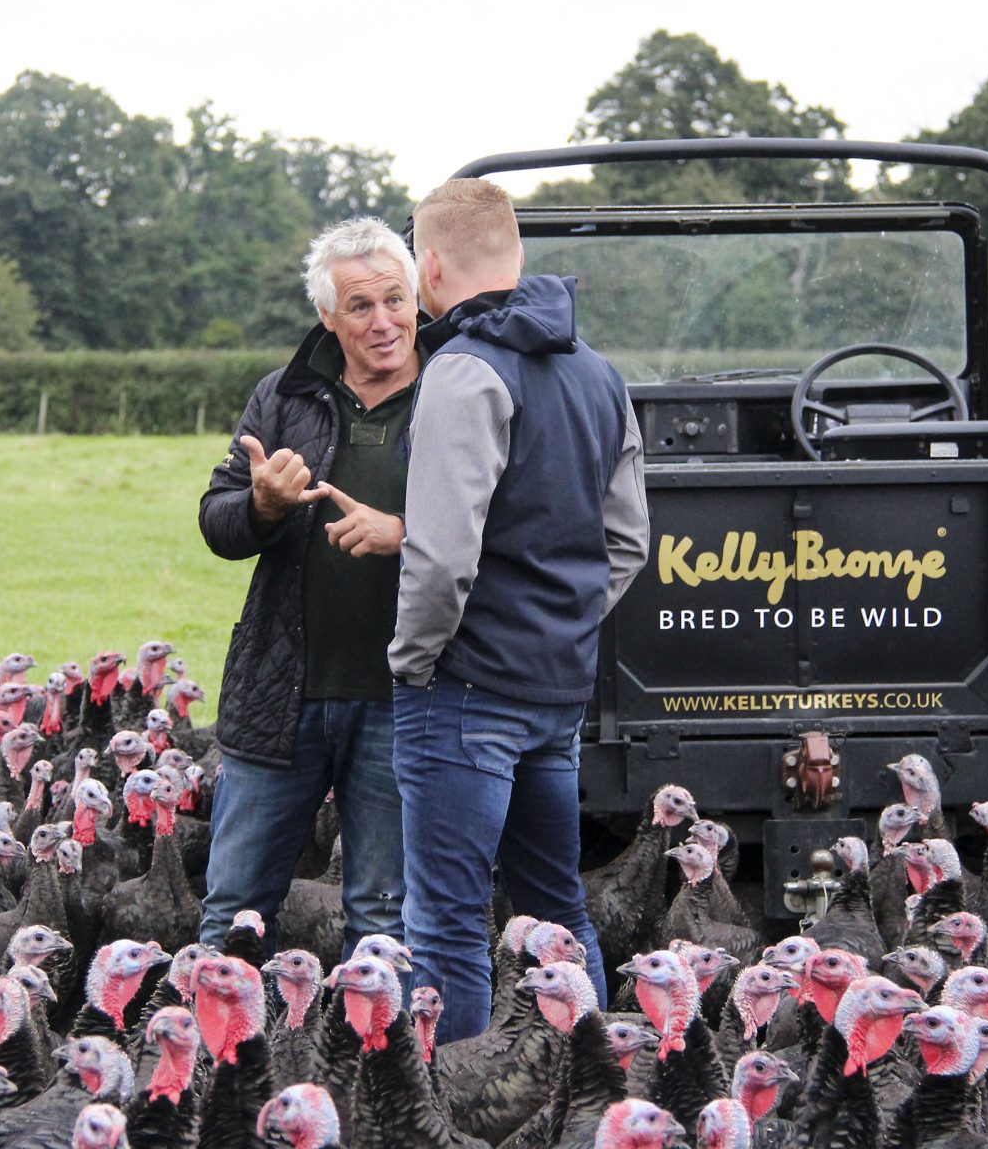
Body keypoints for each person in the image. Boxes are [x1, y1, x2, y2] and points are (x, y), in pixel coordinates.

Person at [389, 177, 650, 1042]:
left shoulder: (464, 371)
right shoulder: (599, 373)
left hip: (464, 689)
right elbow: (627, 542)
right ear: (518, 255)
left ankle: (456, 1113)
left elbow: (440, 554)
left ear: (429, 268)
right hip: (555, 690)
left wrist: (414, 660)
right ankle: (600, 1097)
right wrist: (561, 623)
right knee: (556, 907)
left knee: (449, 921)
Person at [196, 216, 420, 955]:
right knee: (232, 908)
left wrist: (405, 533)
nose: (384, 320)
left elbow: (507, 530)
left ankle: (372, 1069)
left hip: (404, 697)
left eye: (396, 298)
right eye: (360, 306)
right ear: (328, 316)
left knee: (384, 920)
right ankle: (218, 1065)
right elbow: (217, 522)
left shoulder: (456, 392)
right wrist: (260, 506)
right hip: (280, 690)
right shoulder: (285, 396)